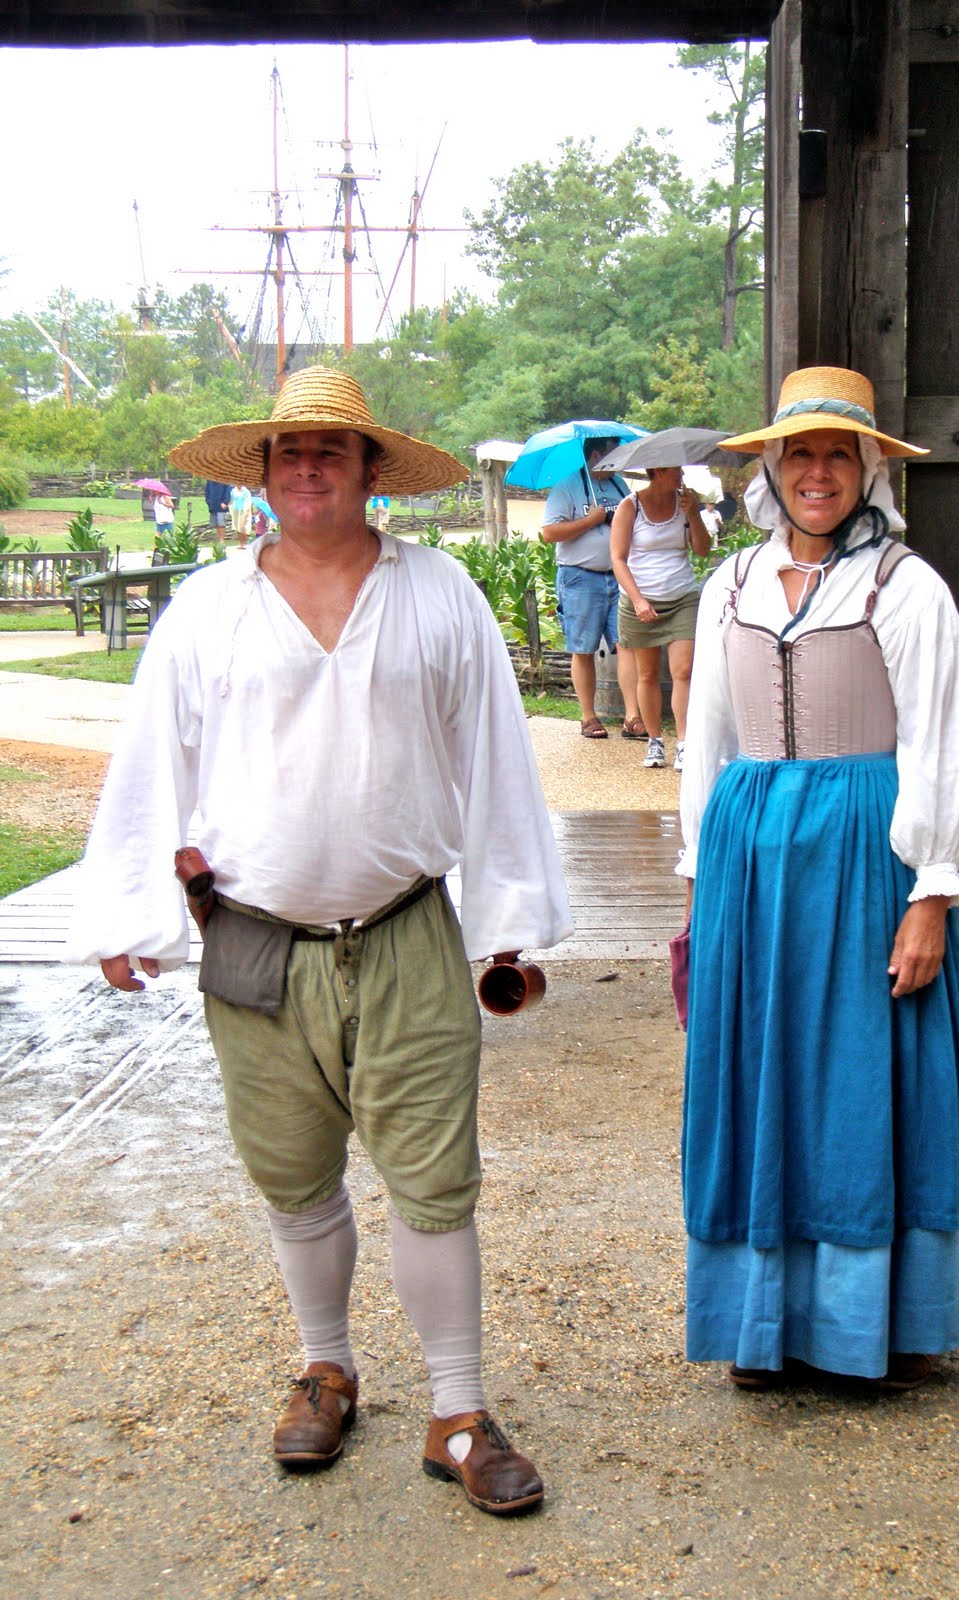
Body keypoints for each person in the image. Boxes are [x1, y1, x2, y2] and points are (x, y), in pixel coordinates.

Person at [65, 366, 572, 1517]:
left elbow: (496, 758)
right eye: (289, 450)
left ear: (370, 470)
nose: (307, 467)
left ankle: (457, 1408)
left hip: (404, 934)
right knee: (294, 1173)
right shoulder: (206, 608)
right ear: (264, 470)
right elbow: (154, 767)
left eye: (331, 450)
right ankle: (327, 1367)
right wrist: (128, 911)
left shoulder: (441, 595)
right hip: (256, 946)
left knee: (436, 1181)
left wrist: (510, 928)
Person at [677, 365, 959, 1393]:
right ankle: (763, 1321)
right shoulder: (730, 584)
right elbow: (707, 742)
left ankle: (888, 1321)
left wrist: (931, 891)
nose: (816, 471)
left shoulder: (905, 587)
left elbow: (943, 744)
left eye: (837, 452)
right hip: (752, 861)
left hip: (869, 855)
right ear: (770, 469)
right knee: (763, 1077)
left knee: (873, 1076)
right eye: (799, 452)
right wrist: (700, 884)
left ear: (868, 469)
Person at [541, 438, 647, 741]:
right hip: (579, 577)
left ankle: (632, 717)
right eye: (613, 454)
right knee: (583, 648)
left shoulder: (619, 486)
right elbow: (550, 532)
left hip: (619, 576)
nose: (618, 461)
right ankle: (589, 716)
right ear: (597, 455)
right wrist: (591, 521)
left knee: (625, 643)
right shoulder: (567, 487)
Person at [610, 465, 710, 771]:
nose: (680, 474)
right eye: (673, 469)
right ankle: (655, 741)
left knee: (684, 670)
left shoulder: (686, 502)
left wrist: (693, 514)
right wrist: (638, 599)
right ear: (656, 471)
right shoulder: (631, 506)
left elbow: (703, 550)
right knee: (648, 674)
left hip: (681, 596)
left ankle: (684, 742)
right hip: (641, 599)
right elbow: (617, 557)